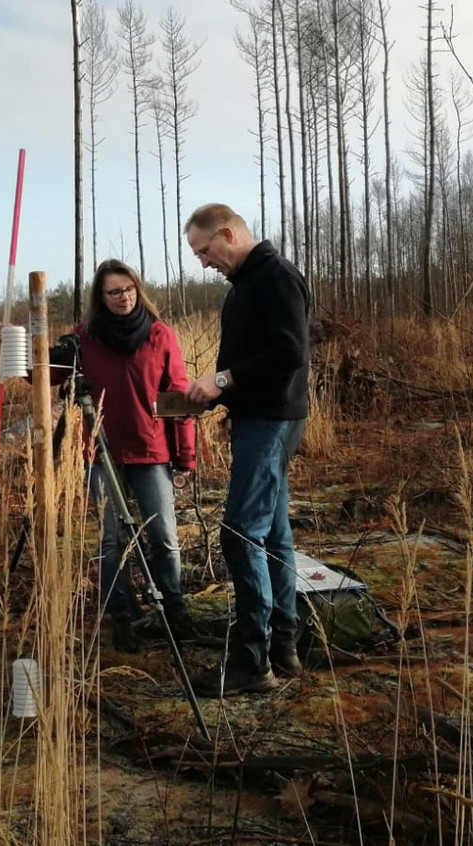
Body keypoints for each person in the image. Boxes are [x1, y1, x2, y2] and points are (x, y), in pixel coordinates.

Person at [182, 204, 311, 696]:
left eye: (204, 250)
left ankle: (251, 663)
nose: (203, 262)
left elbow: (289, 350)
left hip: (274, 423)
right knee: (273, 536)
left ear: (228, 234)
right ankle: (284, 647)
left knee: (240, 535)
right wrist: (223, 401)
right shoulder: (243, 287)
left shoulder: (275, 276)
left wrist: (222, 380)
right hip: (257, 420)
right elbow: (248, 359)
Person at [61, 259, 199, 652]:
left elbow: (178, 399)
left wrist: (184, 458)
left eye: (128, 289)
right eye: (114, 292)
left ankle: (173, 611)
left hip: (151, 453)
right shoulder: (83, 339)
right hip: (102, 456)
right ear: (100, 299)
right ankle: (121, 614)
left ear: (138, 290)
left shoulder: (159, 335)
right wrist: (16, 344)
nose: (123, 297)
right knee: (111, 541)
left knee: (164, 537)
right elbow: (44, 372)